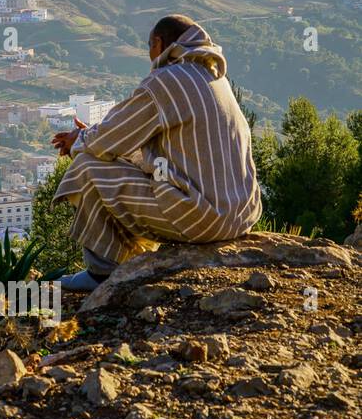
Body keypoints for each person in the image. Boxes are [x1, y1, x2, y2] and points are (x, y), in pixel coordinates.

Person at [50, 15, 261, 291]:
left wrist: (80, 140)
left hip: (203, 219)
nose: (149, 58)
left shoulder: (166, 81)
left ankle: (103, 271)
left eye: (149, 48)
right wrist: (92, 137)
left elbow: (108, 140)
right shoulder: (215, 78)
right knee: (105, 157)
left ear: (159, 43)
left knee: (87, 165)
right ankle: (126, 260)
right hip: (241, 215)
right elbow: (131, 142)